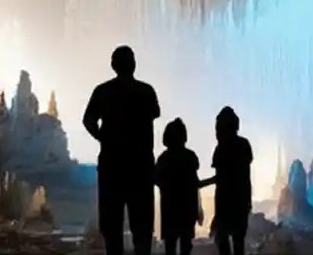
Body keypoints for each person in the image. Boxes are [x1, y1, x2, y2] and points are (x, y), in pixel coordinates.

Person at [83, 46, 161, 255]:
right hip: (141, 166)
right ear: (134, 65)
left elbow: (88, 120)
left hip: (112, 166)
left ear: (113, 65)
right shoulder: (146, 91)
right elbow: (155, 113)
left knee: (111, 228)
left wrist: (104, 139)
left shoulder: (102, 91)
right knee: (142, 226)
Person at [200, 106, 252, 255]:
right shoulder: (244, 145)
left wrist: (201, 184)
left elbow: (222, 178)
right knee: (237, 241)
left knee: (222, 239)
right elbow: (243, 177)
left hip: (226, 202)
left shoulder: (221, 149)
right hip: (240, 201)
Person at [154, 118, 202, 255]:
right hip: (187, 209)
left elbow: (156, 178)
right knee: (186, 245)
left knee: (171, 245)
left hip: (170, 209)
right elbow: (195, 182)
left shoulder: (163, 158)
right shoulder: (190, 157)